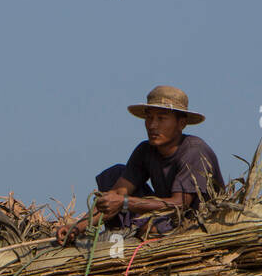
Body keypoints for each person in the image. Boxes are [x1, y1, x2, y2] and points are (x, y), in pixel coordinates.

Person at [56, 85, 224, 243]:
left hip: (192, 222)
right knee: (114, 174)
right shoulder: (146, 150)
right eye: (149, 118)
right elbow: (116, 194)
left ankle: (134, 238)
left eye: (161, 118)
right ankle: (120, 235)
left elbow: (179, 205)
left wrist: (124, 202)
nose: (152, 125)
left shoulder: (194, 151)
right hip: (161, 215)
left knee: (151, 229)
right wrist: (77, 227)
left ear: (181, 123)